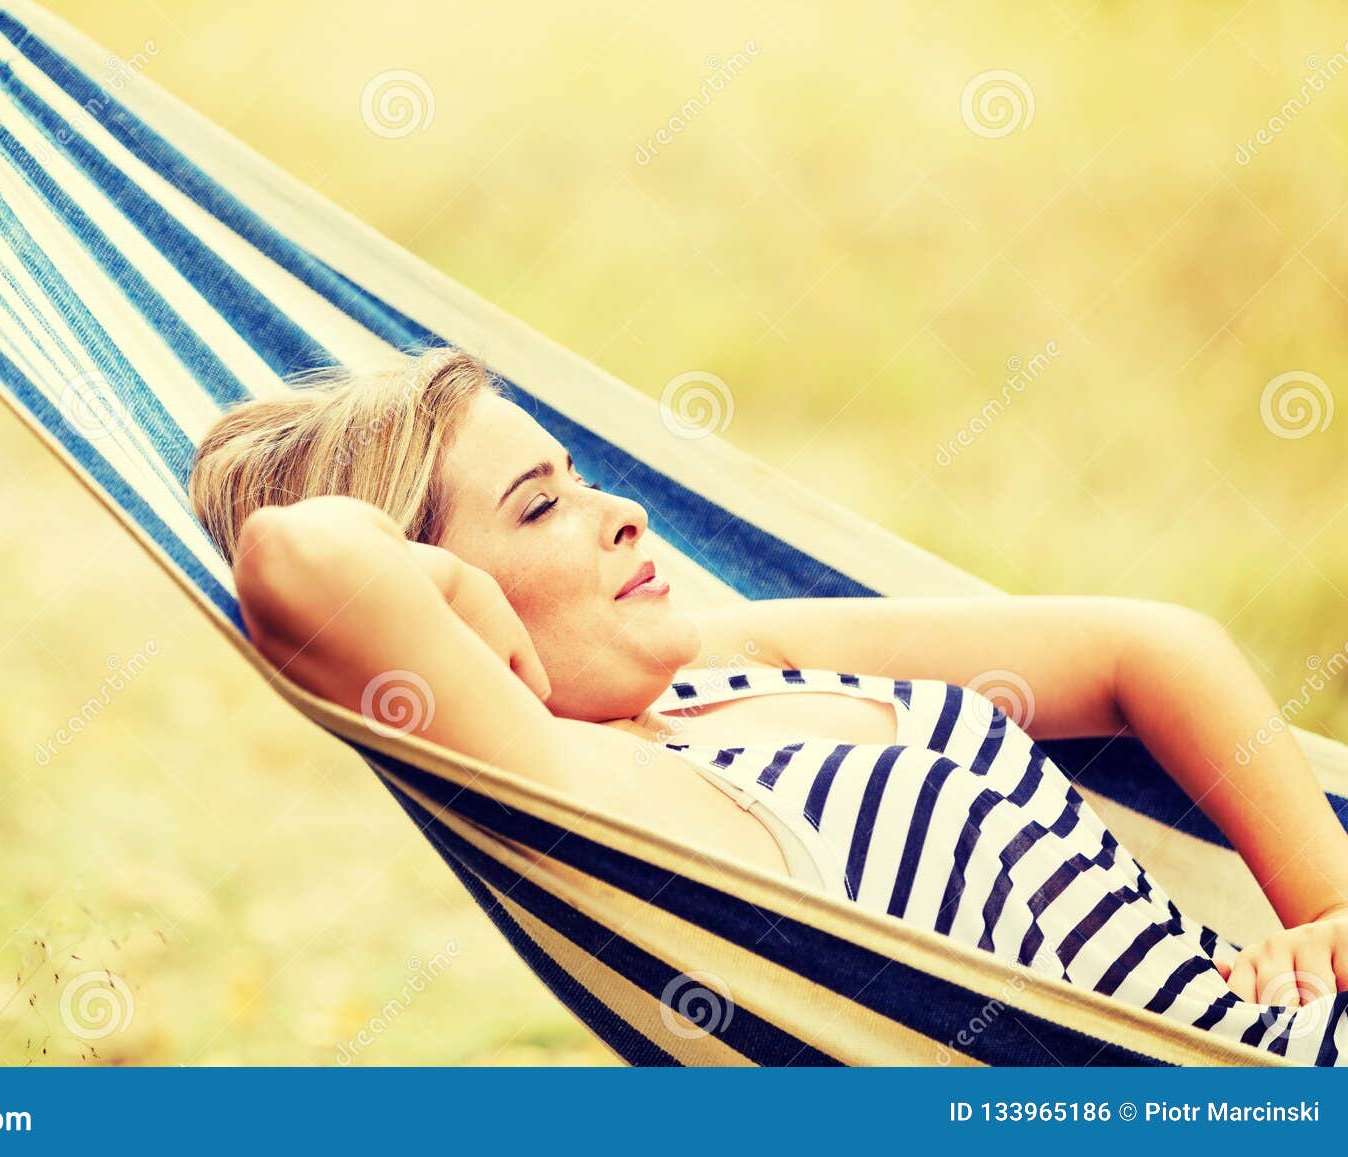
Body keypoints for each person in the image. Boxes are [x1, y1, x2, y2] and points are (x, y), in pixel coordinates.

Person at [189, 345, 1348, 1064]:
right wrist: (441, 594)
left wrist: (1327, 916)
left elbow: (1147, 648)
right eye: (540, 508)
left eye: (582, 479)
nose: (625, 512)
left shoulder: (716, 668)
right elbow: (299, 562)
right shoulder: (578, 781)